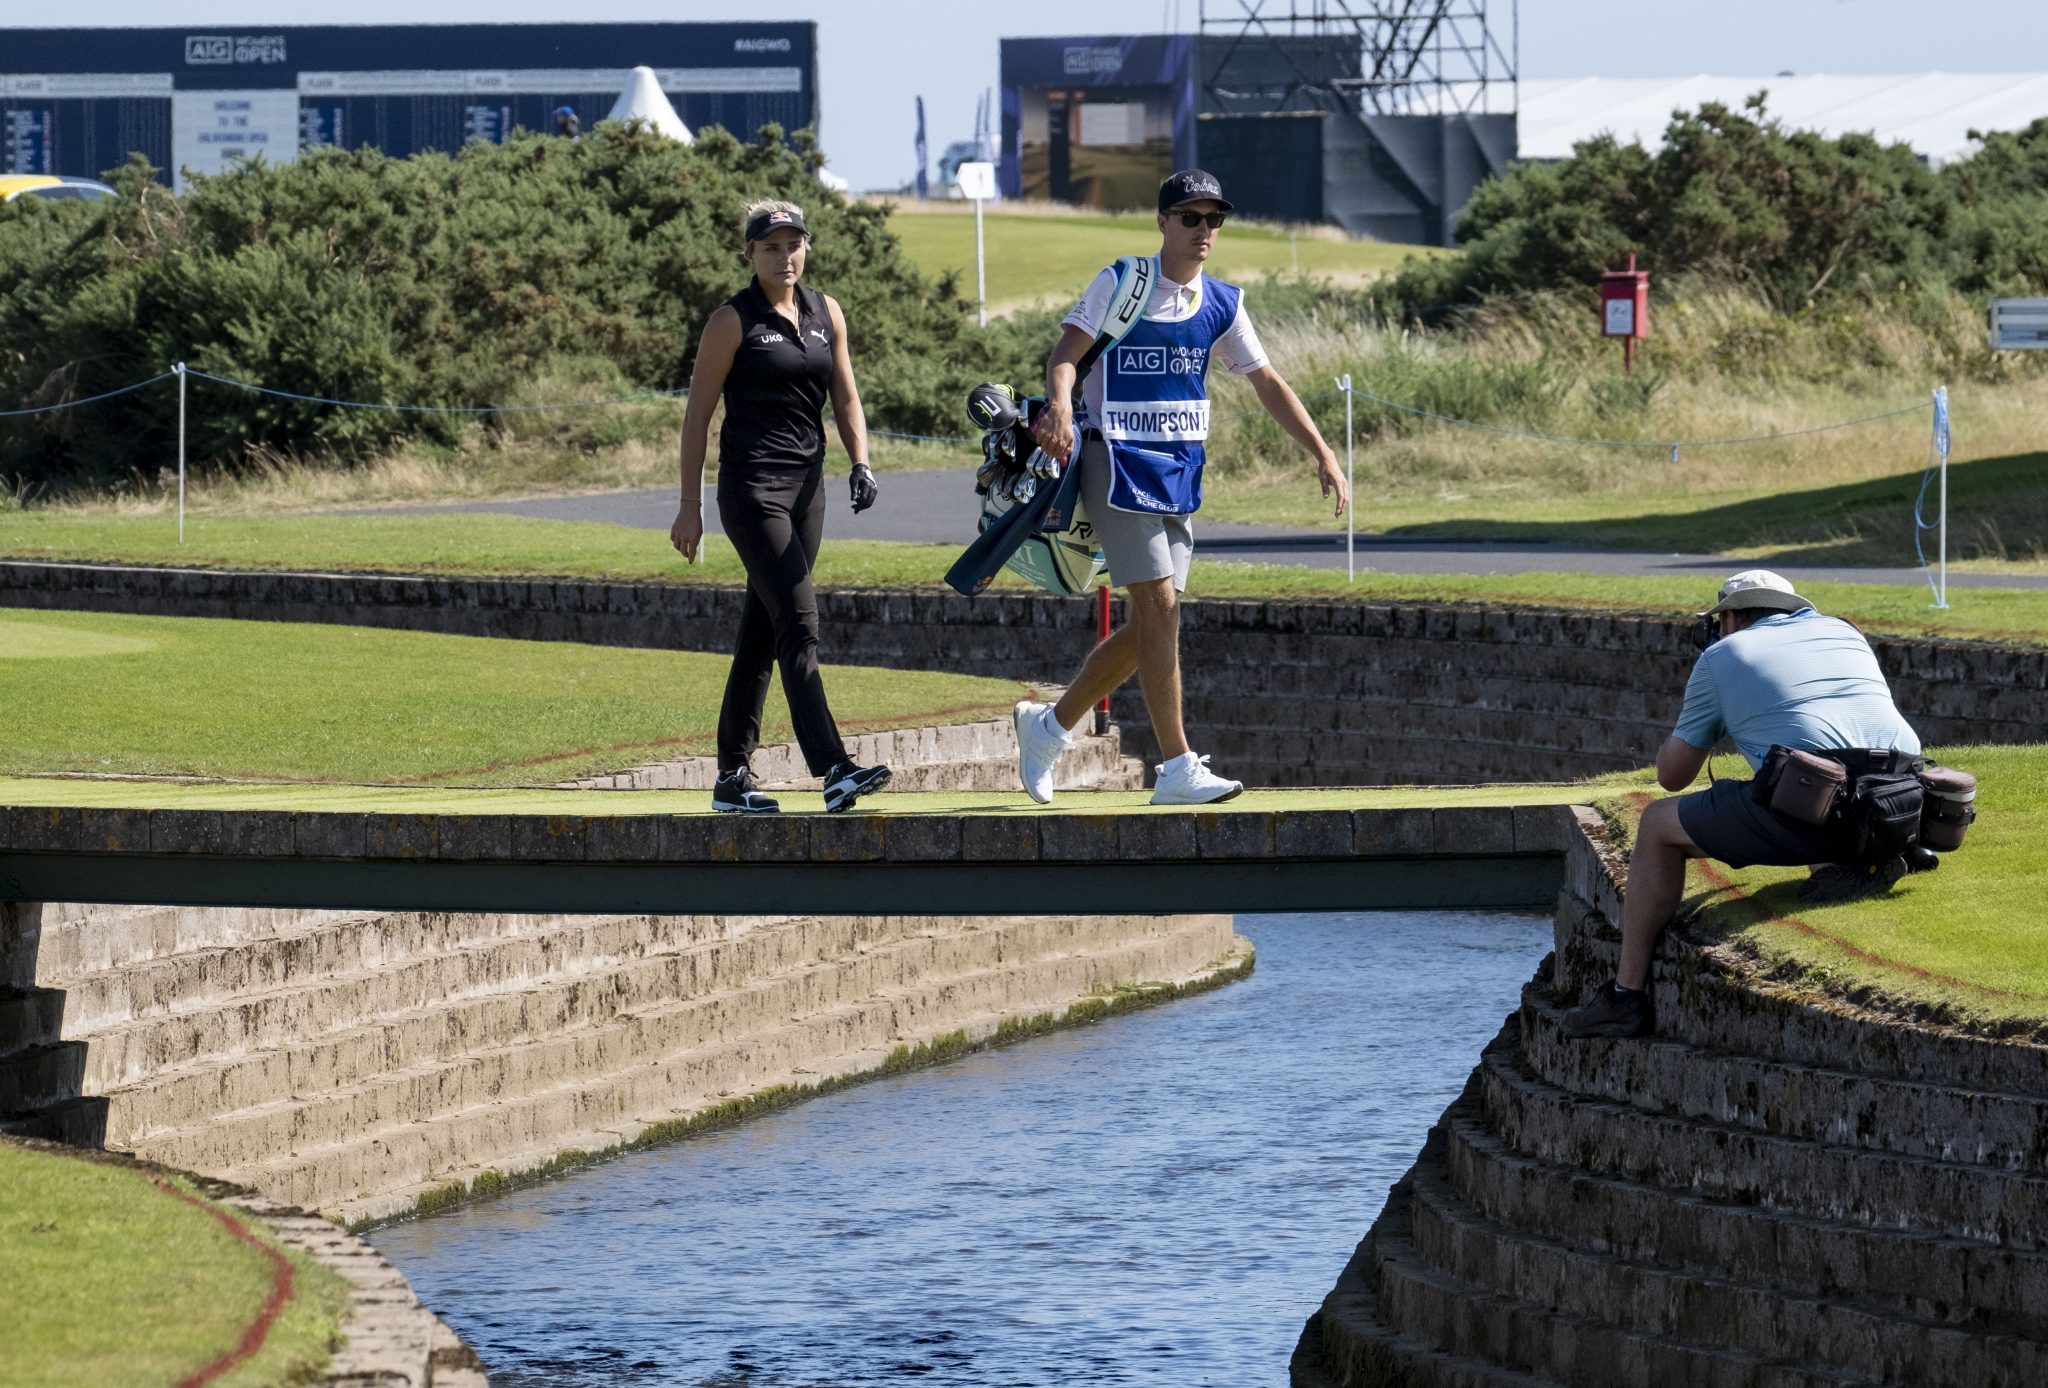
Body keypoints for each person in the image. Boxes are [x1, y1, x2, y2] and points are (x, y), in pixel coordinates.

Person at [1012, 169, 1350, 806]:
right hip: (1113, 462)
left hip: (1178, 475)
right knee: (1162, 611)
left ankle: (1048, 726)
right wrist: (1059, 405)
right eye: (1190, 218)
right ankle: (1176, 769)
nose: (1202, 231)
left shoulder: (1224, 302)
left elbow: (1267, 382)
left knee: (1149, 627)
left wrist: (1323, 451)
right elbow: (1066, 352)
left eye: (1213, 220)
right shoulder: (1122, 282)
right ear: (1162, 221)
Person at [1561, 570, 1924, 1039]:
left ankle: (1624, 996)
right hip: (1903, 799)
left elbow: (1673, 777)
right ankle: (1850, 862)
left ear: (1729, 617)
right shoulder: (1844, 630)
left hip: (1826, 806)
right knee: (1796, 777)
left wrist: (1709, 719)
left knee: (1656, 824)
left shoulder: (1721, 655)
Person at [669, 199, 890, 814]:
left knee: (762, 631)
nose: (784, 256)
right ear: (750, 255)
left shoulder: (827, 312)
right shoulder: (731, 321)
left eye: (793, 244)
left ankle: (731, 776)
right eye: (770, 247)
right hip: (751, 490)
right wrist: (690, 506)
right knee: (799, 622)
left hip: (807, 490)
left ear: (806, 248)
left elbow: (845, 395)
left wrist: (862, 460)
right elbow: (696, 418)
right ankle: (834, 769)